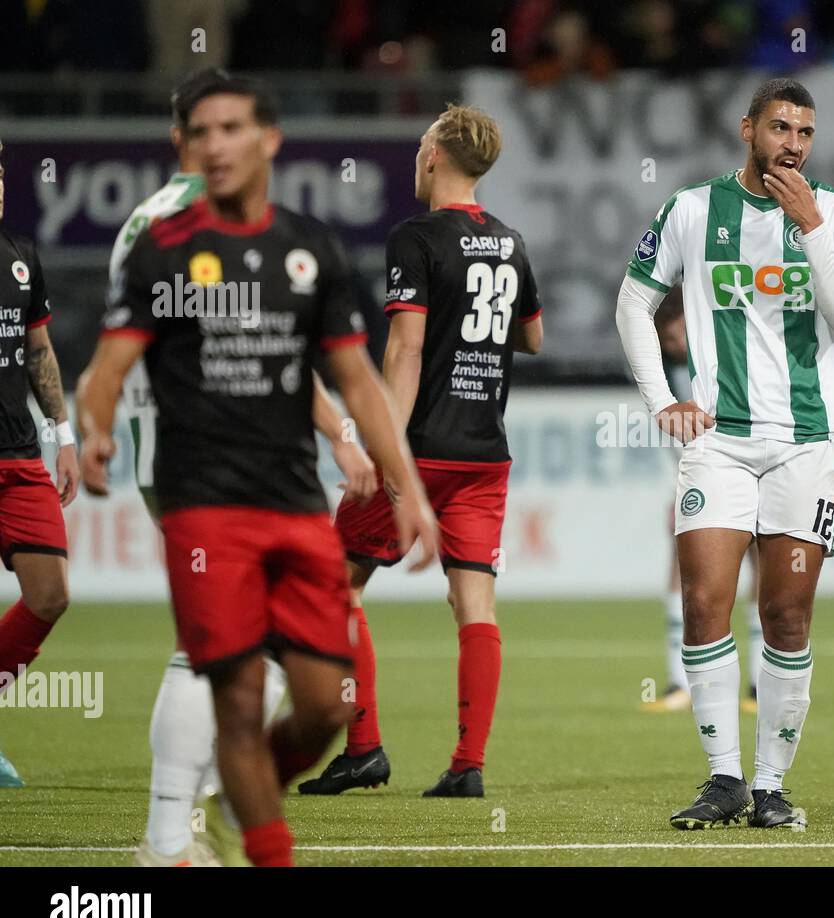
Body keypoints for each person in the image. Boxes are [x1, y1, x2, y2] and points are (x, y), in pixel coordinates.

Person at [77, 71, 437, 866]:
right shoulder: (163, 243)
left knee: (323, 706)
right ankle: (184, 840)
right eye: (200, 132)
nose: (215, 145)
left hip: (293, 498)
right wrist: (91, 424)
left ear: (269, 138)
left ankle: (240, 801)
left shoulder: (308, 248)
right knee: (235, 695)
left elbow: (355, 378)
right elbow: (107, 365)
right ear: (182, 143)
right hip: (201, 496)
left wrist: (399, 478)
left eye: (230, 128)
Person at [615, 78, 834, 829]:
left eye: (805, 132)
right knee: (704, 600)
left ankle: (771, 786)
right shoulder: (693, 211)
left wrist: (814, 230)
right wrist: (661, 401)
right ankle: (723, 778)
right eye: (780, 128)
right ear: (747, 129)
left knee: (786, 615)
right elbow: (632, 301)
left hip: (806, 445)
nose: (793, 143)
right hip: (719, 442)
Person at [297, 104, 542, 799]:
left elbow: (403, 350)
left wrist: (384, 448)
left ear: (435, 153)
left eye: (418, 146)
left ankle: (365, 747)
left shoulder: (415, 238)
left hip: (423, 447)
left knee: (336, 586)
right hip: (484, 453)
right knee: (475, 605)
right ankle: (468, 766)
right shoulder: (510, 240)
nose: (414, 156)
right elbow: (533, 338)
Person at [642, 290, 764, 716]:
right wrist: (681, 485)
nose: (673, 346)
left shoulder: (742, 345)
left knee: (764, 563)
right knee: (685, 561)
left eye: (675, 336)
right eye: (665, 340)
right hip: (707, 473)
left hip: (762, 465)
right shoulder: (669, 371)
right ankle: (681, 681)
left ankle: (759, 684)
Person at [0, 137, 80, 788]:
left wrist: (65, 434)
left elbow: (39, 353)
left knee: (50, 596)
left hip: (20, 454)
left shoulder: (22, 257)